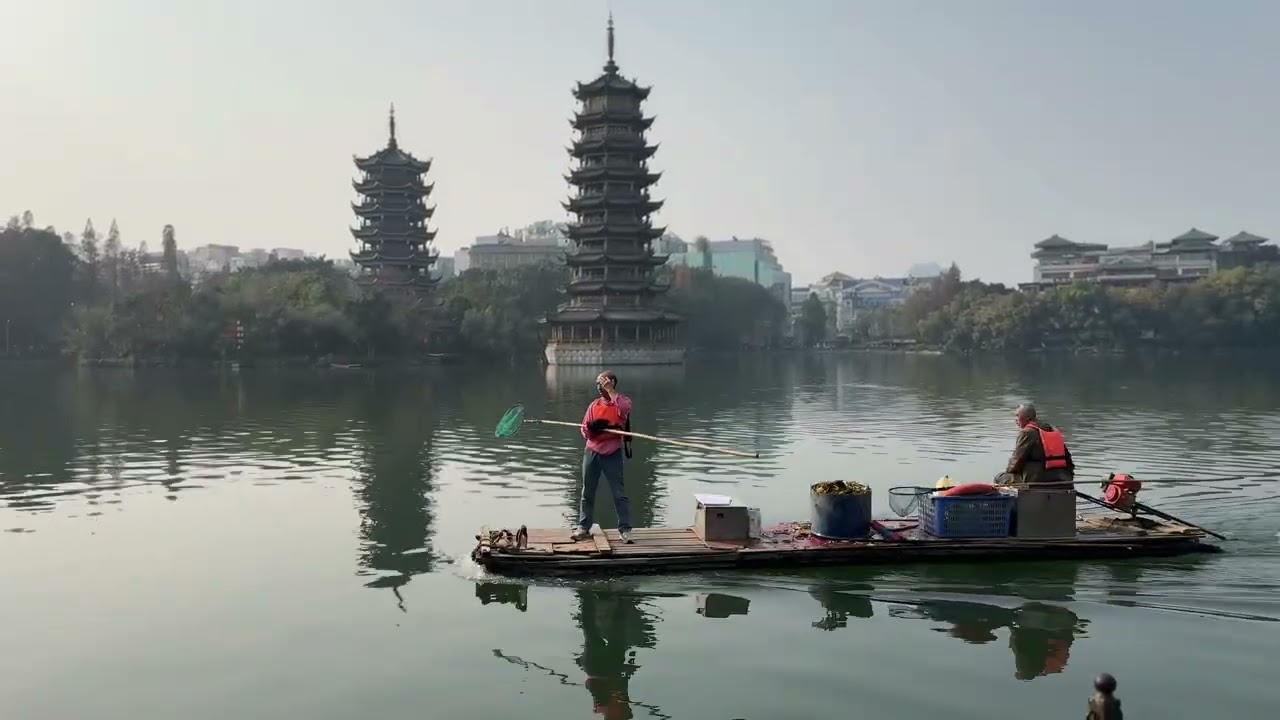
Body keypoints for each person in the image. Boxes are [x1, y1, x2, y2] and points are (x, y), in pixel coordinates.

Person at [572, 370, 634, 543]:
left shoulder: (622, 402)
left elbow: (624, 409)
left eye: (603, 383)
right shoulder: (594, 405)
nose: (600, 387)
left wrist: (611, 391)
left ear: (612, 383)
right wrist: (591, 428)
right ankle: (584, 526)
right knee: (587, 491)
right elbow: (584, 429)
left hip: (612, 453)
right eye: (598, 384)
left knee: (618, 493)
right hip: (592, 452)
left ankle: (625, 529)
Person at [995, 403, 1075, 487]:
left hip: (1037, 481)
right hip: (1062, 479)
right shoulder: (1052, 430)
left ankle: (1020, 497)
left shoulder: (1027, 432)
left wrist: (1008, 470)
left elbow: (1016, 461)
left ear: (1028, 417)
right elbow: (1068, 460)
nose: (1015, 420)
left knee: (1000, 477)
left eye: (1017, 416)